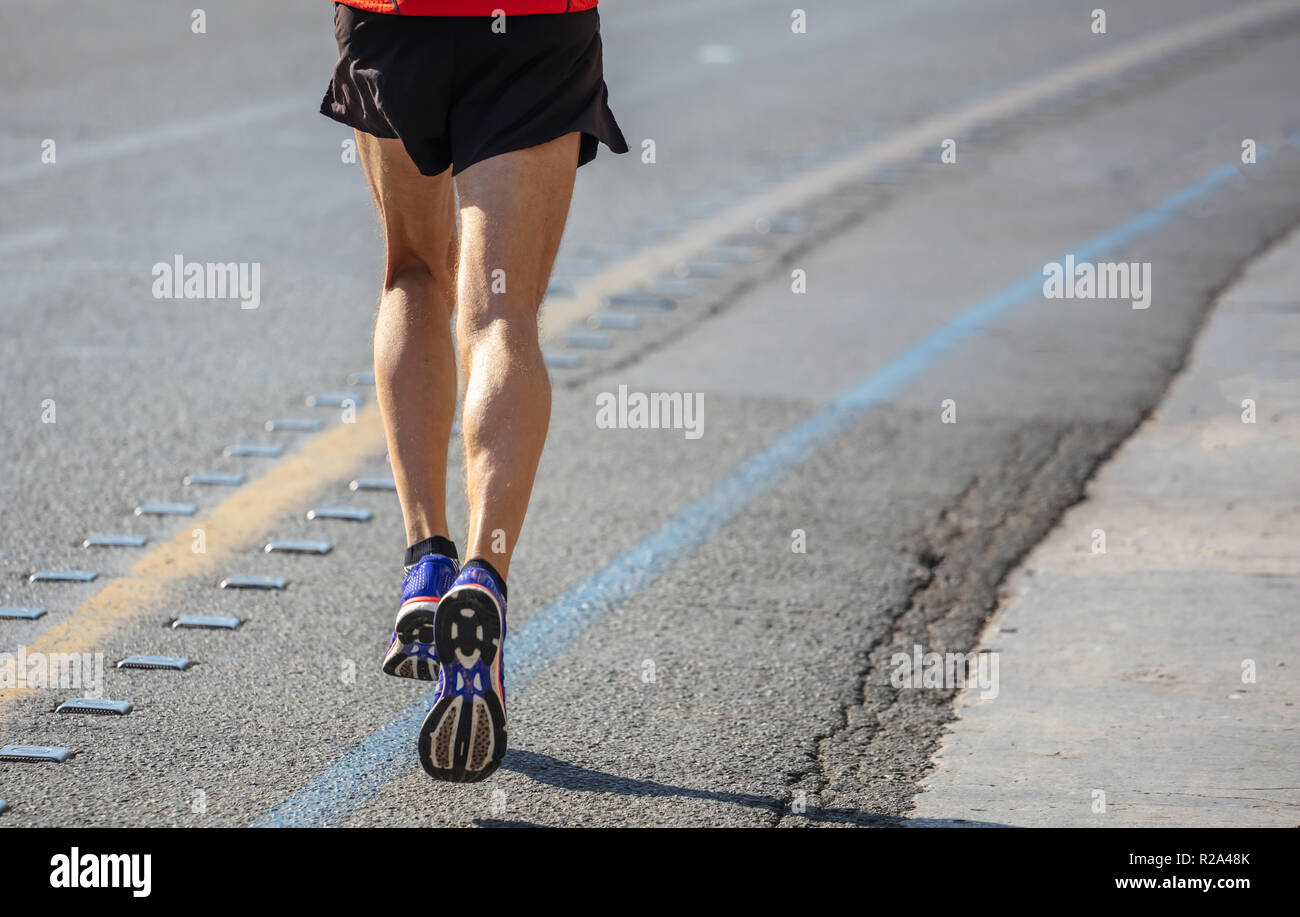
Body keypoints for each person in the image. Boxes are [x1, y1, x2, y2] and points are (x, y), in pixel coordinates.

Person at [319, 0, 628, 783]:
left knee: (413, 273)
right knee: (501, 314)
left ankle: (426, 560)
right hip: (531, 21)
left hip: (395, 18)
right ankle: (483, 573)